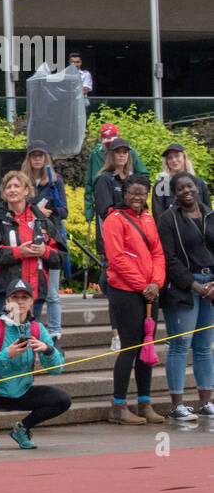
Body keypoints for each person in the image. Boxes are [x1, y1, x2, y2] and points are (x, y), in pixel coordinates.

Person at [0, 279, 70, 449]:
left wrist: (47, 350)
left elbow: (57, 369)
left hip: (24, 391)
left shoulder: (37, 329)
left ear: (32, 302)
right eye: (15, 297)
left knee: (62, 400)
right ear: (7, 302)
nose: (20, 302)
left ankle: (22, 429)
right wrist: (6, 355)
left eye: (25, 297)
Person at [102, 175, 166, 425]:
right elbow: (117, 259)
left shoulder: (149, 219)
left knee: (147, 348)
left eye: (142, 193)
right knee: (130, 347)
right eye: (133, 193)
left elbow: (158, 253)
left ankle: (144, 402)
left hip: (150, 291)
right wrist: (143, 286)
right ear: (124, 194)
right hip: (126, 291)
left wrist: (156, 283)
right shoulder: (114, 220)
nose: (138, 198)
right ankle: (118, 406)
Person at [156, 173, 214, 420]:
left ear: (198, 188)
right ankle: (177, 405)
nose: (186, 191)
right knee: (180, 346)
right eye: (180, 188)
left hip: (211, 285)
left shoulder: (210, 215)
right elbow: (168, 259)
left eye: (190, 186)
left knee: (204, 348)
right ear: (174, 193)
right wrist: (194, 286)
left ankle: (205, 402)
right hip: (183, 288)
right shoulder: (168, 219)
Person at [0, 170, 62, 323]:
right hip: (4, 292)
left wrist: (45, 252)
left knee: (27, 339)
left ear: (26, 190)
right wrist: (19, 252)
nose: (12, 190)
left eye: (17, 186)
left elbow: (60, 255)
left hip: (33, 293)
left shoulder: (41, 220)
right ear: (4, 192)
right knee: (5, 340)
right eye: (8, 187)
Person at [93, 136, 137, 351]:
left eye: (125, 151)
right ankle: (116, 334)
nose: (122, 155)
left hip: (133, 243)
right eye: (118, 151)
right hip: (112, 242)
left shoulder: (132, 178)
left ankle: (129, 331)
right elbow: (105, 210)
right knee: (115, 288)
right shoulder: (104, 179)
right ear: (111, 154)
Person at [24, 141, 68, 343]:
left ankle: (55, 332)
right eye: (34, 155)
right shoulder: (23, 182)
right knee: (31, 292)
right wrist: (35, 211)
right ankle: (31, 330)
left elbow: (64, 212)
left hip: (52, 239)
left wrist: (49, 212)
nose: (37, 159)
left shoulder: (54, 181)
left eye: (41, 155)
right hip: (30, 239)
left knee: (52, 292)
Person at [83, 123, 147, 226]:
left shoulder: (130, 152)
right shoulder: (96, 154)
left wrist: (136, 192)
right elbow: (89, 184)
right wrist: (89, 211)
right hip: (105, 209)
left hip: (128, 214)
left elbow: (144, 175)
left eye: (124, 152)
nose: (110, 146)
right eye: (108, 144)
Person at [152, 143, 211, 216]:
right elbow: (158, 213)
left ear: (184, 157)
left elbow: (208, 211)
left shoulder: (199, 182)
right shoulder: (161, 185)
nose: (174, 160)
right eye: (170, 158)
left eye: (177, 156)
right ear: (166, 162)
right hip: (171, 226)